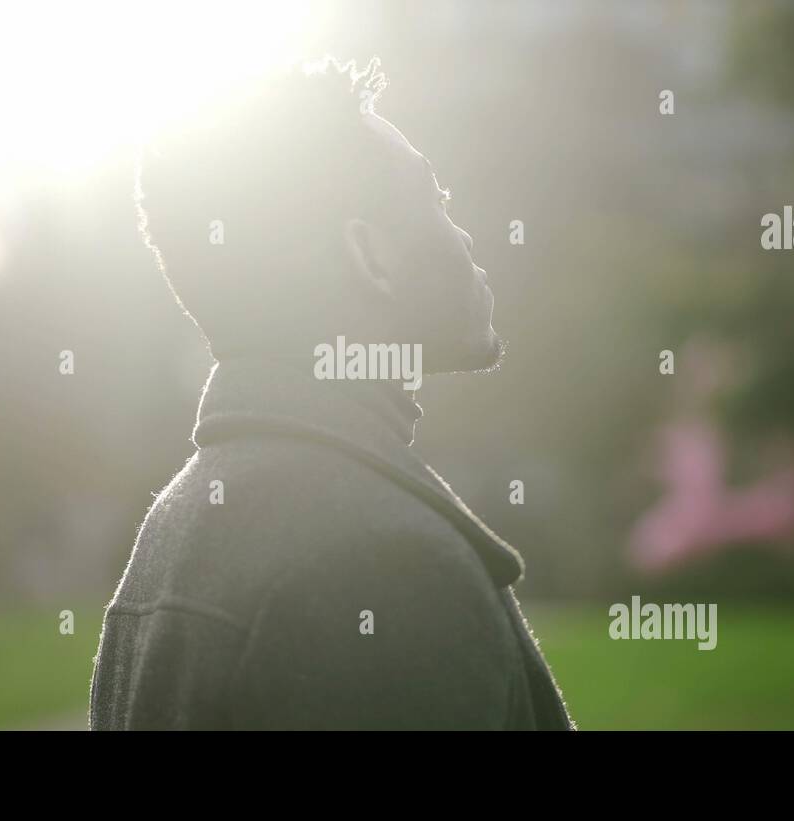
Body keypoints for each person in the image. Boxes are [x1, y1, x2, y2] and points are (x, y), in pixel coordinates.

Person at [89, 57, 573, 730]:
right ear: (371, 258)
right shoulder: (387, 566)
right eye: (436, 200)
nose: (461, 232)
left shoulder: (175, 524)